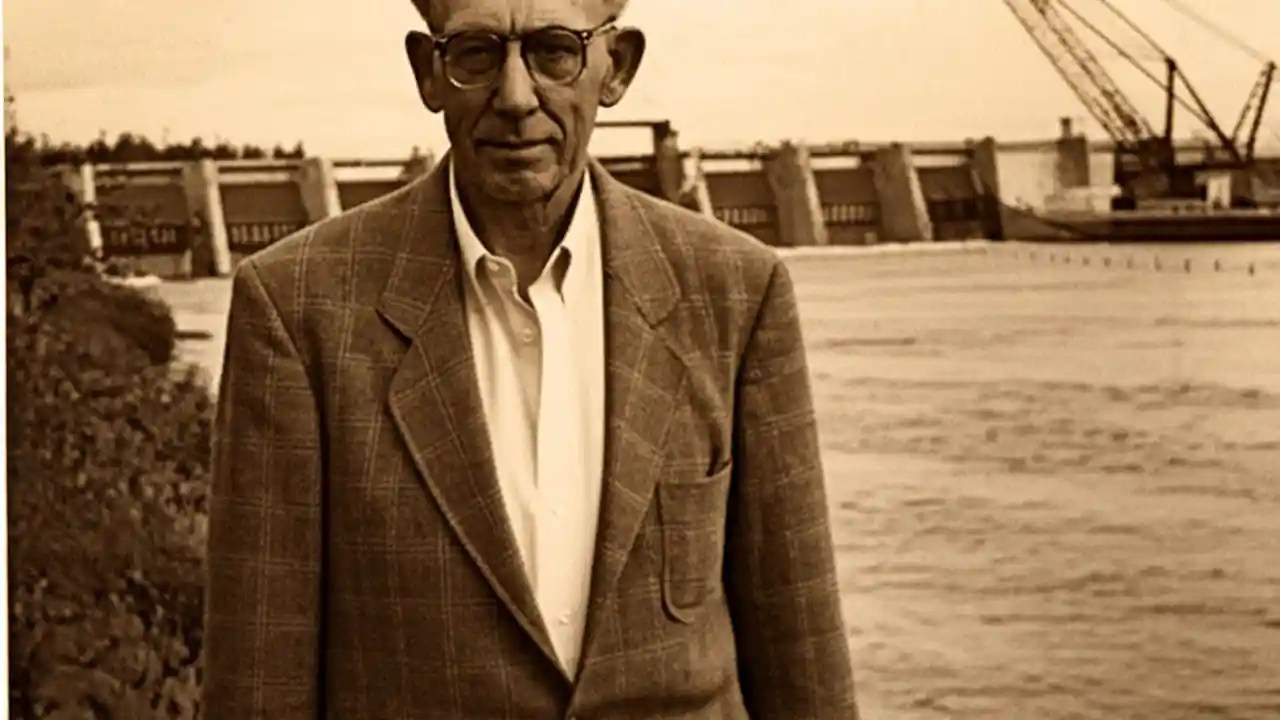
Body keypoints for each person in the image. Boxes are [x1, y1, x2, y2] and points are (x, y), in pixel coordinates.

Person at [201, 0, 860, 717]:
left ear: (618, 67)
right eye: (477, 53)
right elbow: (258, 671)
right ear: (429, 73)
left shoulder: (735, 292)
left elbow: (801, 641)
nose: (516, 97)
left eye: (554, 51)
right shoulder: (298, 307)